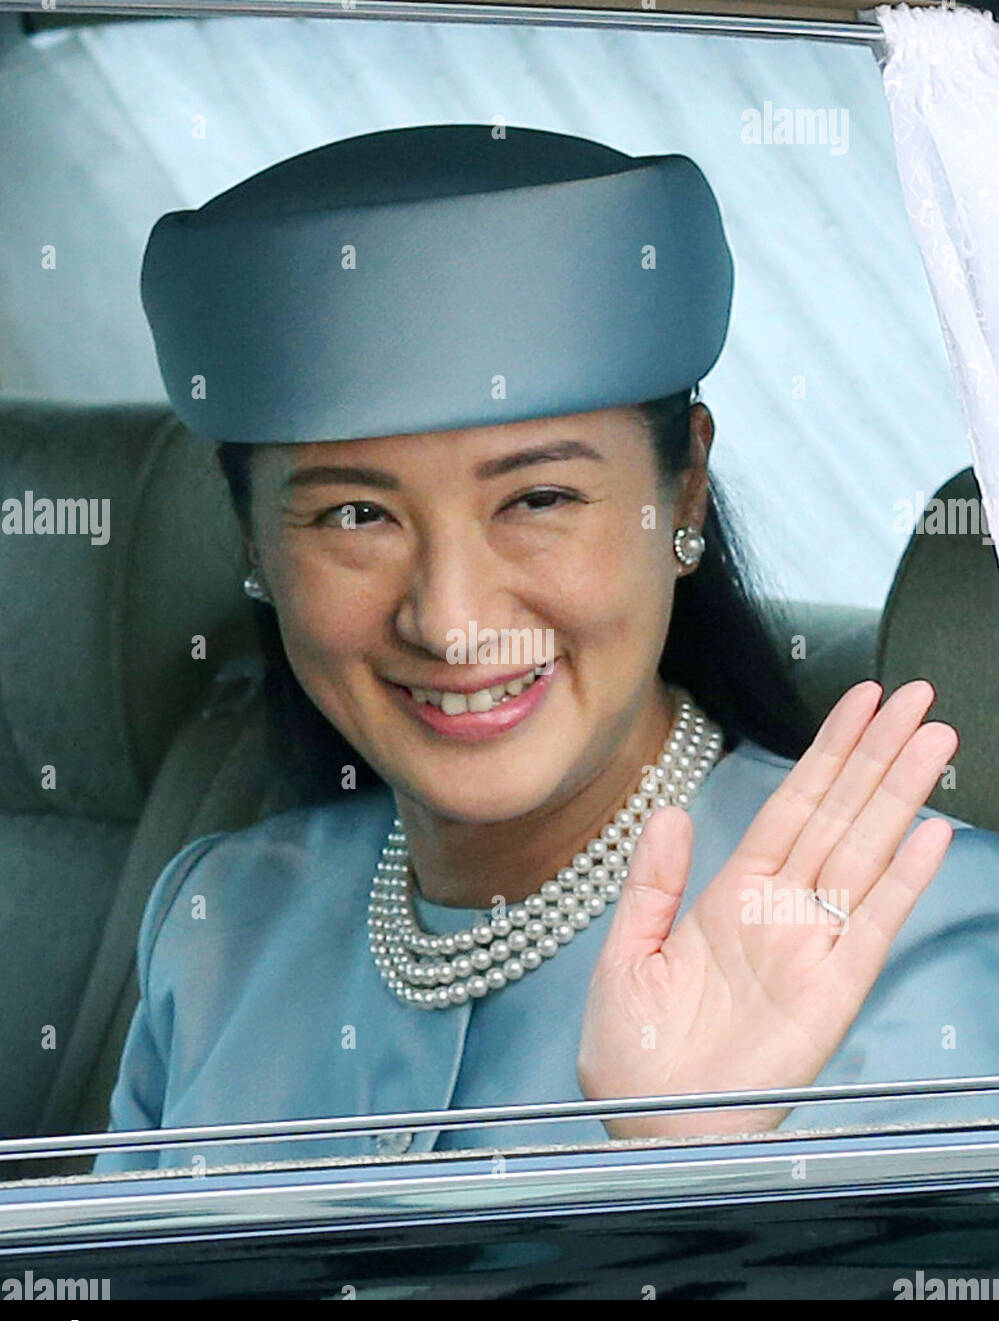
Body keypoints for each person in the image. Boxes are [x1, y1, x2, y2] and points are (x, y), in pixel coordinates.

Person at [93, 125, 999, 1175]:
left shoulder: (922, 932)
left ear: (685, 487)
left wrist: (685, 1168)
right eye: (353, 516)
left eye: (538, 498)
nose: (448, 617)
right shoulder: (219, 921)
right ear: (252, 536)